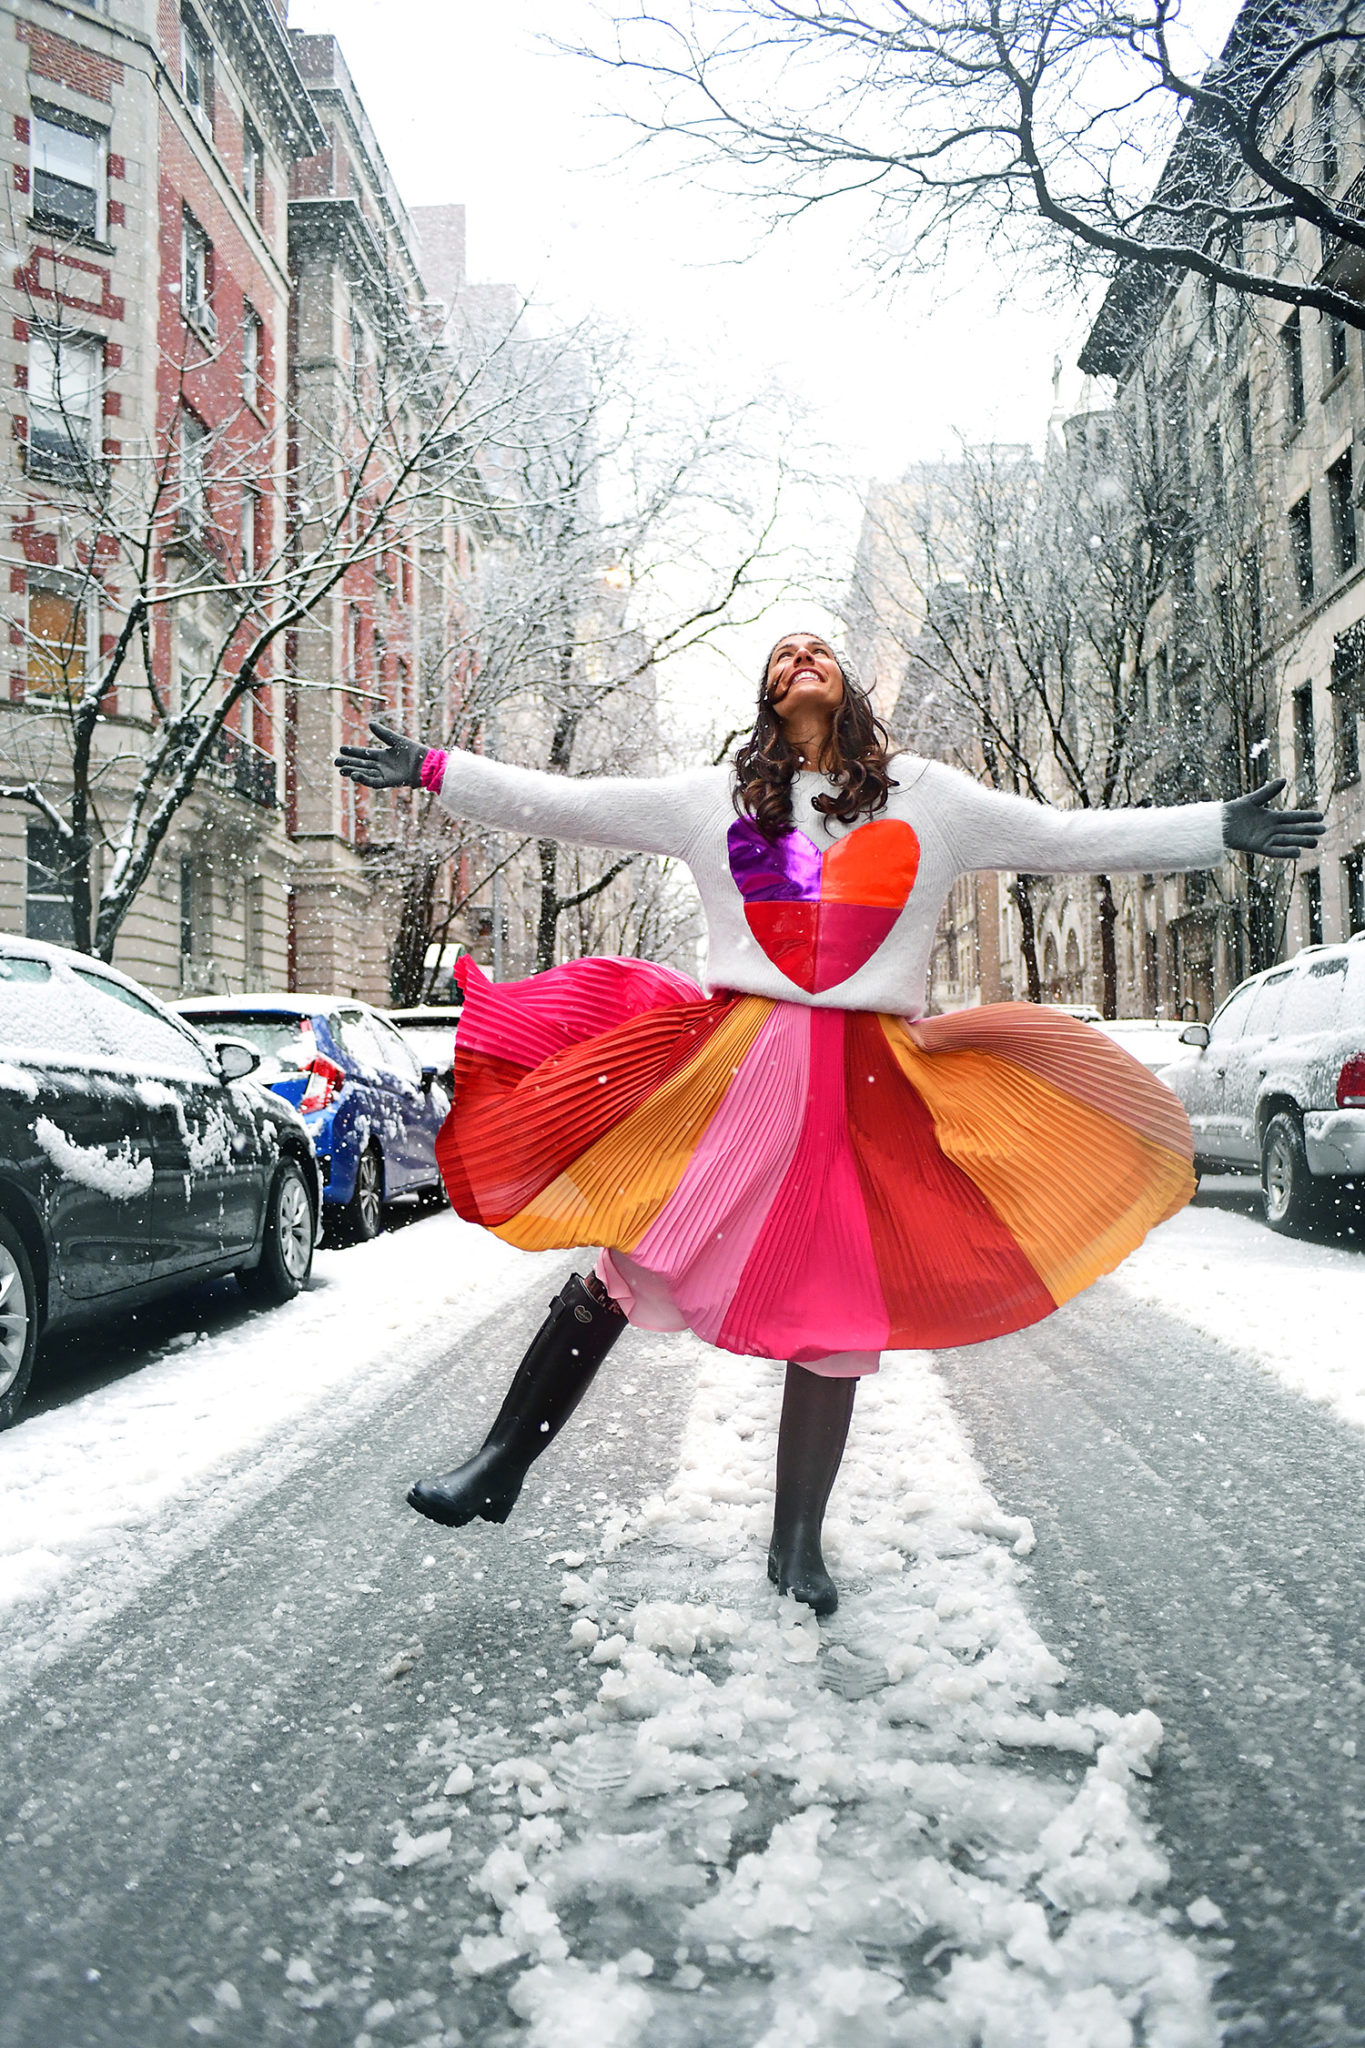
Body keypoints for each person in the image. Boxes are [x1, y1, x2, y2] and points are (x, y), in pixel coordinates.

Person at [336, 632, 1324, 1614]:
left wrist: (1216, 828)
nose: (801, 656)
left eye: (819, 648)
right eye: (782, 653)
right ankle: (499, 1461)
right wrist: (432, 768)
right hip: (735, 1072)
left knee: (836, 1303)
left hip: (871, 1081)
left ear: (846, 683)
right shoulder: (714, 799)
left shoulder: (929, 797)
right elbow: (569, 804)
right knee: (633, 1258)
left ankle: (796, 1539)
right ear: (767, 694)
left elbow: (1065, 836)